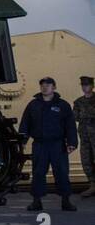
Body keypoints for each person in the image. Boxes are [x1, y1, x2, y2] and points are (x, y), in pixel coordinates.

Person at [18, 77, 78, 211]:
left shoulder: (63, 105)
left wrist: (72, 142)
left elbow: (70, 126)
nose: (45, 87)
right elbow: (25, 124)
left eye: (48, 85)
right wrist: (21, 142)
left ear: (54, 87)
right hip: (40, 144)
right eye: (43, 85)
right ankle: (36, 201)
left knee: (62, 172)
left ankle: (66, 201)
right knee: (38, 173)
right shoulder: (33, 105)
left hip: (58, 144)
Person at [74, 76, 95, 198]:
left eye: (87, 85)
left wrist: (86, 115)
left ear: (92, 86)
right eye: (83, 85)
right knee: (86, 160)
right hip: (85, 136)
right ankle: (92, 185)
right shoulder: (78, 102)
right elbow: (75, 116)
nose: (85, 87)